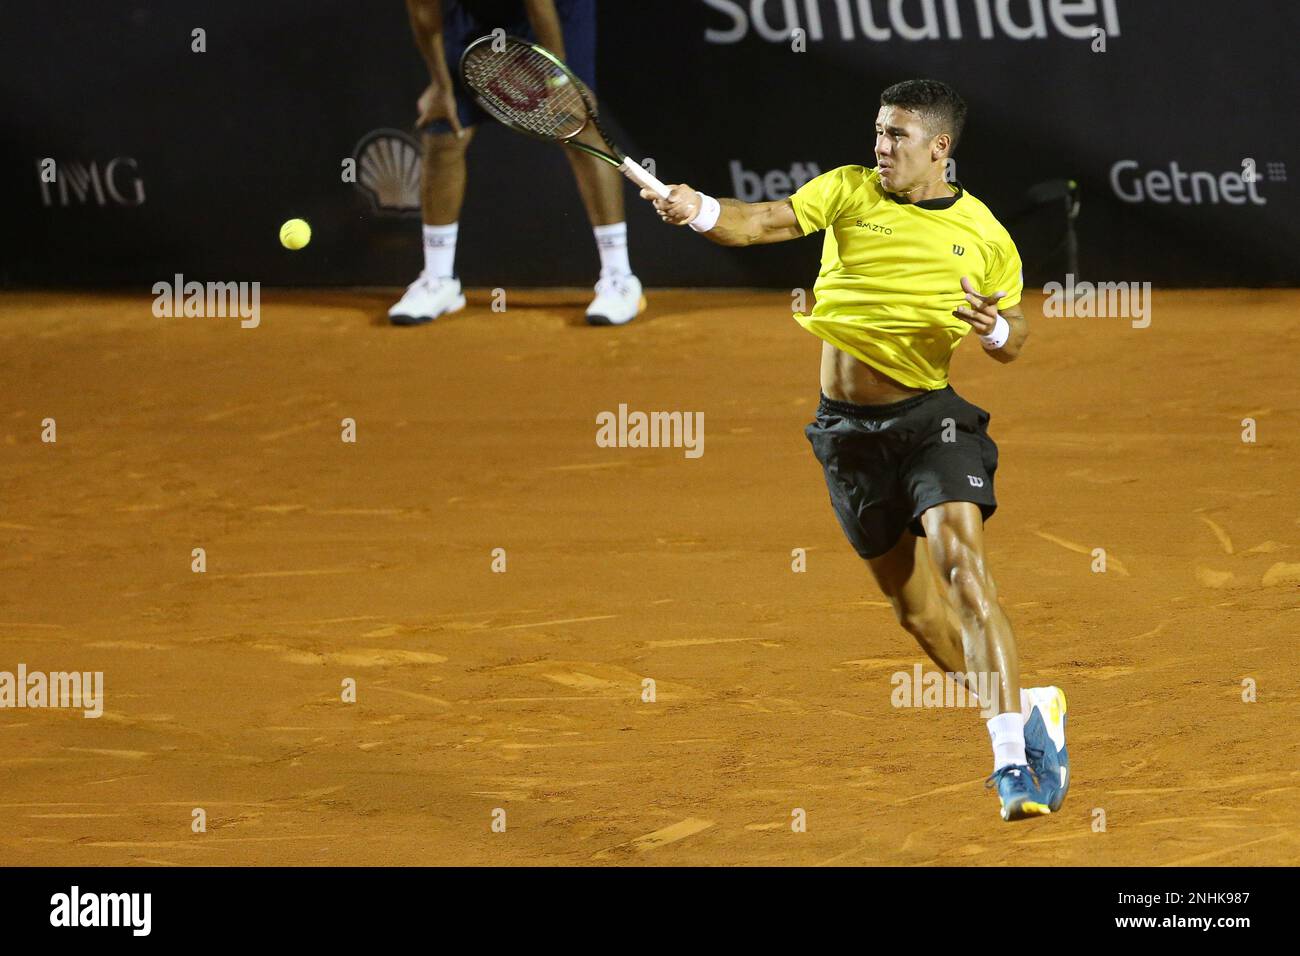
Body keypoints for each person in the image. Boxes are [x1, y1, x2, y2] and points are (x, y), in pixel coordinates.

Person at [642, 79, 1070, 822]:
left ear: (939, 148)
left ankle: (1012, 761)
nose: (880, 147)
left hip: (934, 424)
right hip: (844, 435)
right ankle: (1030, 706)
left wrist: (993, 331)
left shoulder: (984, 234)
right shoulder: (846, 191)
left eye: (897, 136)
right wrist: (697, 208)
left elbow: (1017, 334)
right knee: (920, 616)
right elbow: (758, 224)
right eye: (877, 131)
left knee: (963, 568)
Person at [392, 0, 644, 326]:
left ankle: (620, 277)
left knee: (576, 126)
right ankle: (439, 280)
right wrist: (442, 86)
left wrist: (558, 81)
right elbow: (424, 15)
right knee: (444, 133)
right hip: (475, 15)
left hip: (555, 8)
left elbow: (539, 5)